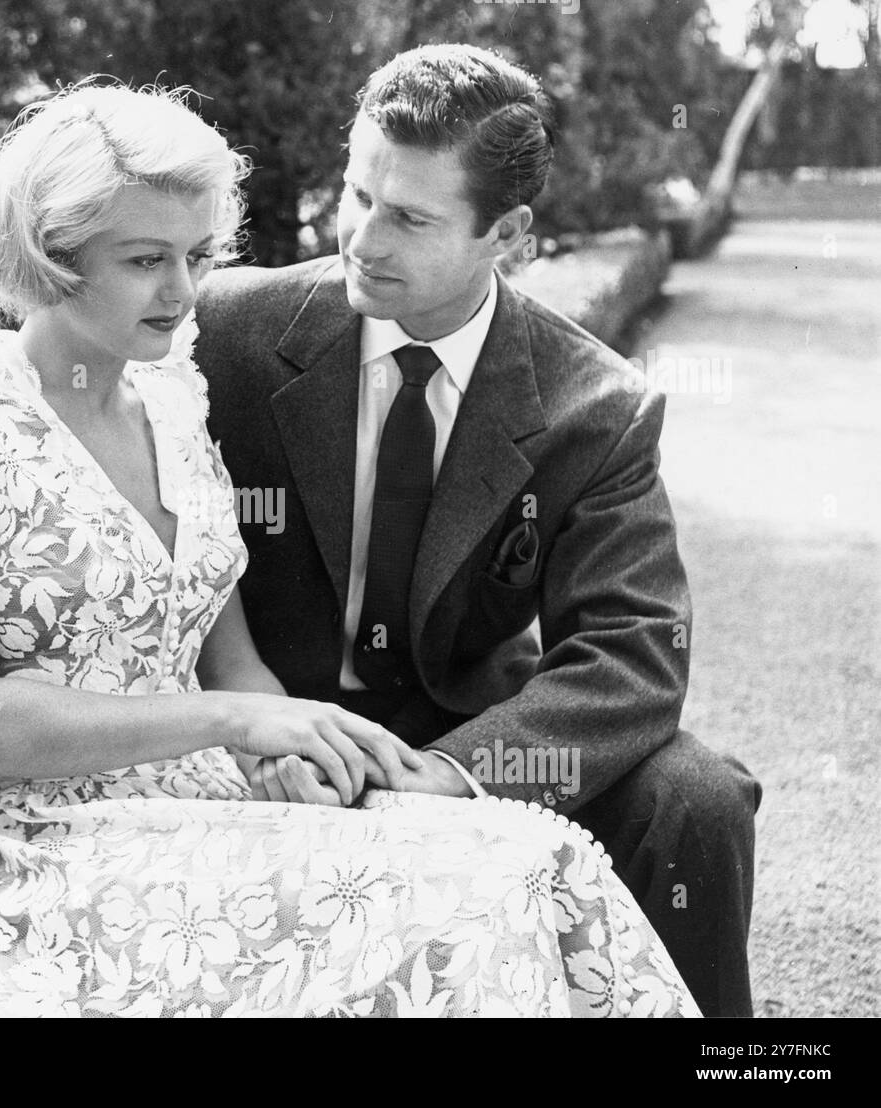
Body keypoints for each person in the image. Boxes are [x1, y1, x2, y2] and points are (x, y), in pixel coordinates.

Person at [0, 80, 699, 1017]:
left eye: (195, 255)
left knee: (540, 861)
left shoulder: (173, 400)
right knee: (470, 901)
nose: (184, 291)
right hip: (64, 858)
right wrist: (231, 727)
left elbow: (235, 666)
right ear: (51, 256)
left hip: (217, 808)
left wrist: (290, 756)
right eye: (146, 259)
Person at [195, 44, 762, 1018]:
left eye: (409, 218)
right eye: (356, 194)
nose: (361, 239)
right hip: (267, 726)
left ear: (508, 233)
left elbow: (631, 653)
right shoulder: (224, 331)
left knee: (695, 800)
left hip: (467, 735)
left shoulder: (596, 406)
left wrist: (453, 773)